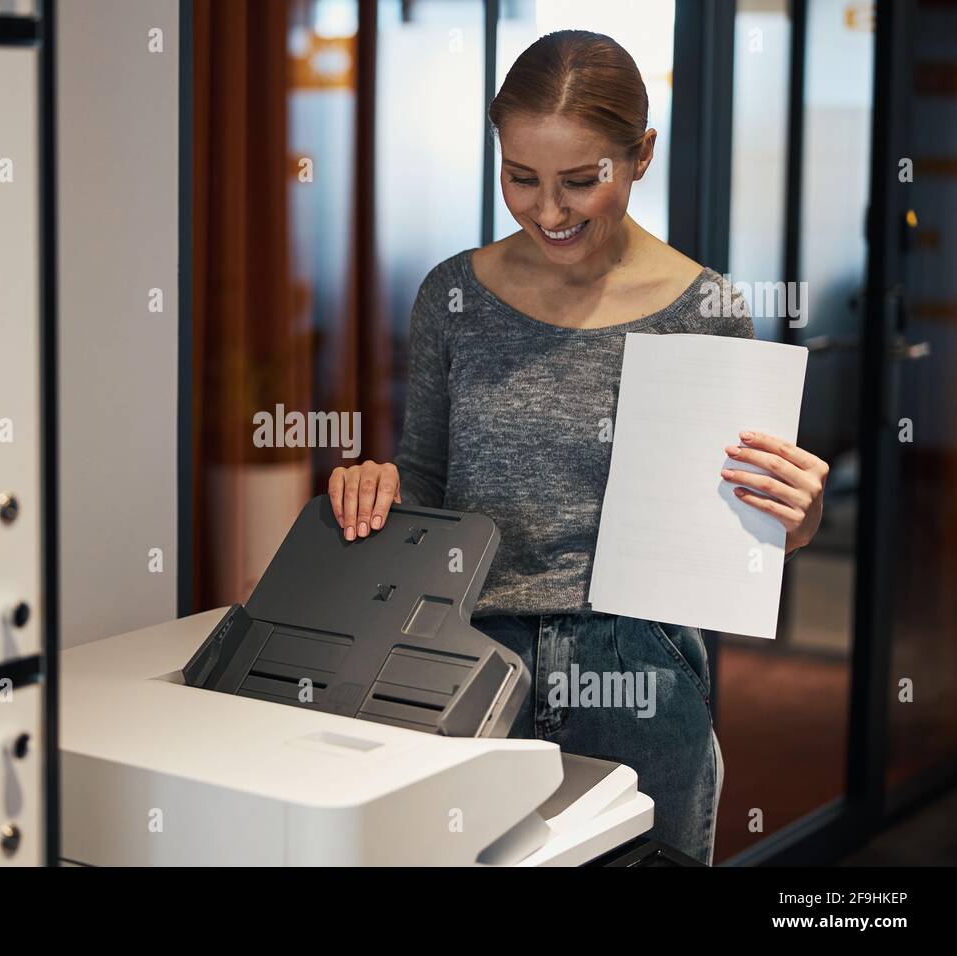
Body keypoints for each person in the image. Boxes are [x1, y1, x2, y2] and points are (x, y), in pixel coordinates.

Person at [327, 30, 828, 865]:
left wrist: (793, 522)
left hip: (640, 667)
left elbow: (741, 539)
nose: (548, 212)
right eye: (521, 178)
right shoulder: (453, 296)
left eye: (581, 181)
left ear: (642, 156)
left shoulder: (708, 311)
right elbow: (423, 481)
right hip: (469, 661)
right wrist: (375, 489)